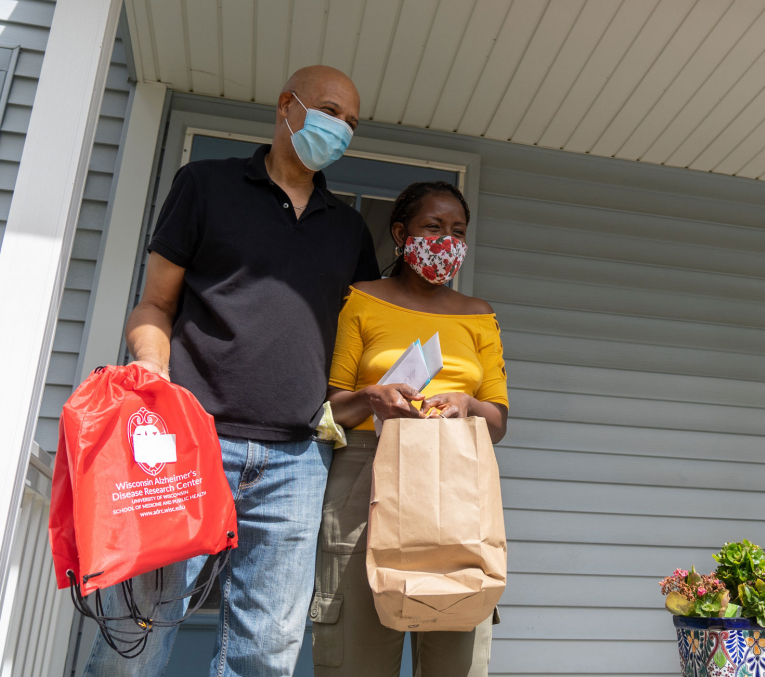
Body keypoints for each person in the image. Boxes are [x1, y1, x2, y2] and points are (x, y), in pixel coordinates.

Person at [84, 65, 378, 677]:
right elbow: (154, 305)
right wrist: (153, 369)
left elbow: (364, 340)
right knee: (134, 637)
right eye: (329, 111)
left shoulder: (348, 229)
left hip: (298, 462)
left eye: (350, 123)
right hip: (189, 448)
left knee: (265, 658)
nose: (339, 129)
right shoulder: (204, 186)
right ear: (286, 106)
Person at [311, 181, 508, 677]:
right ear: (400, 233)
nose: (447, 240)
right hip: (366, 478)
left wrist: (466, 404)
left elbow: (499, 421)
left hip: (456, 478)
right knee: (358, 647)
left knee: (455, 644)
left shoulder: (480, 316)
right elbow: (331, 408)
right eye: (432, 226)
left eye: (458, 230)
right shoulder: (361, 300)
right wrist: (371, 395)